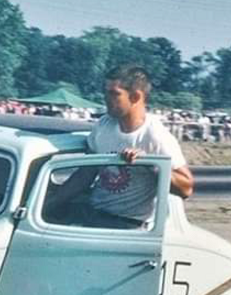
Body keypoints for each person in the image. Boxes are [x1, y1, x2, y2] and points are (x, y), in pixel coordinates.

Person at [48, 63, 194, 228]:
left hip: (128, 224)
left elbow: (186, 188)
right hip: (94, 212)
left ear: (136, 97)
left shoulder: (154, 135)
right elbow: (85, 173)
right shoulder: (104, 124)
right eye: (106, 92)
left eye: (114, 94)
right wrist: (51, 203)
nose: (106, 98)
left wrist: (151, 164)